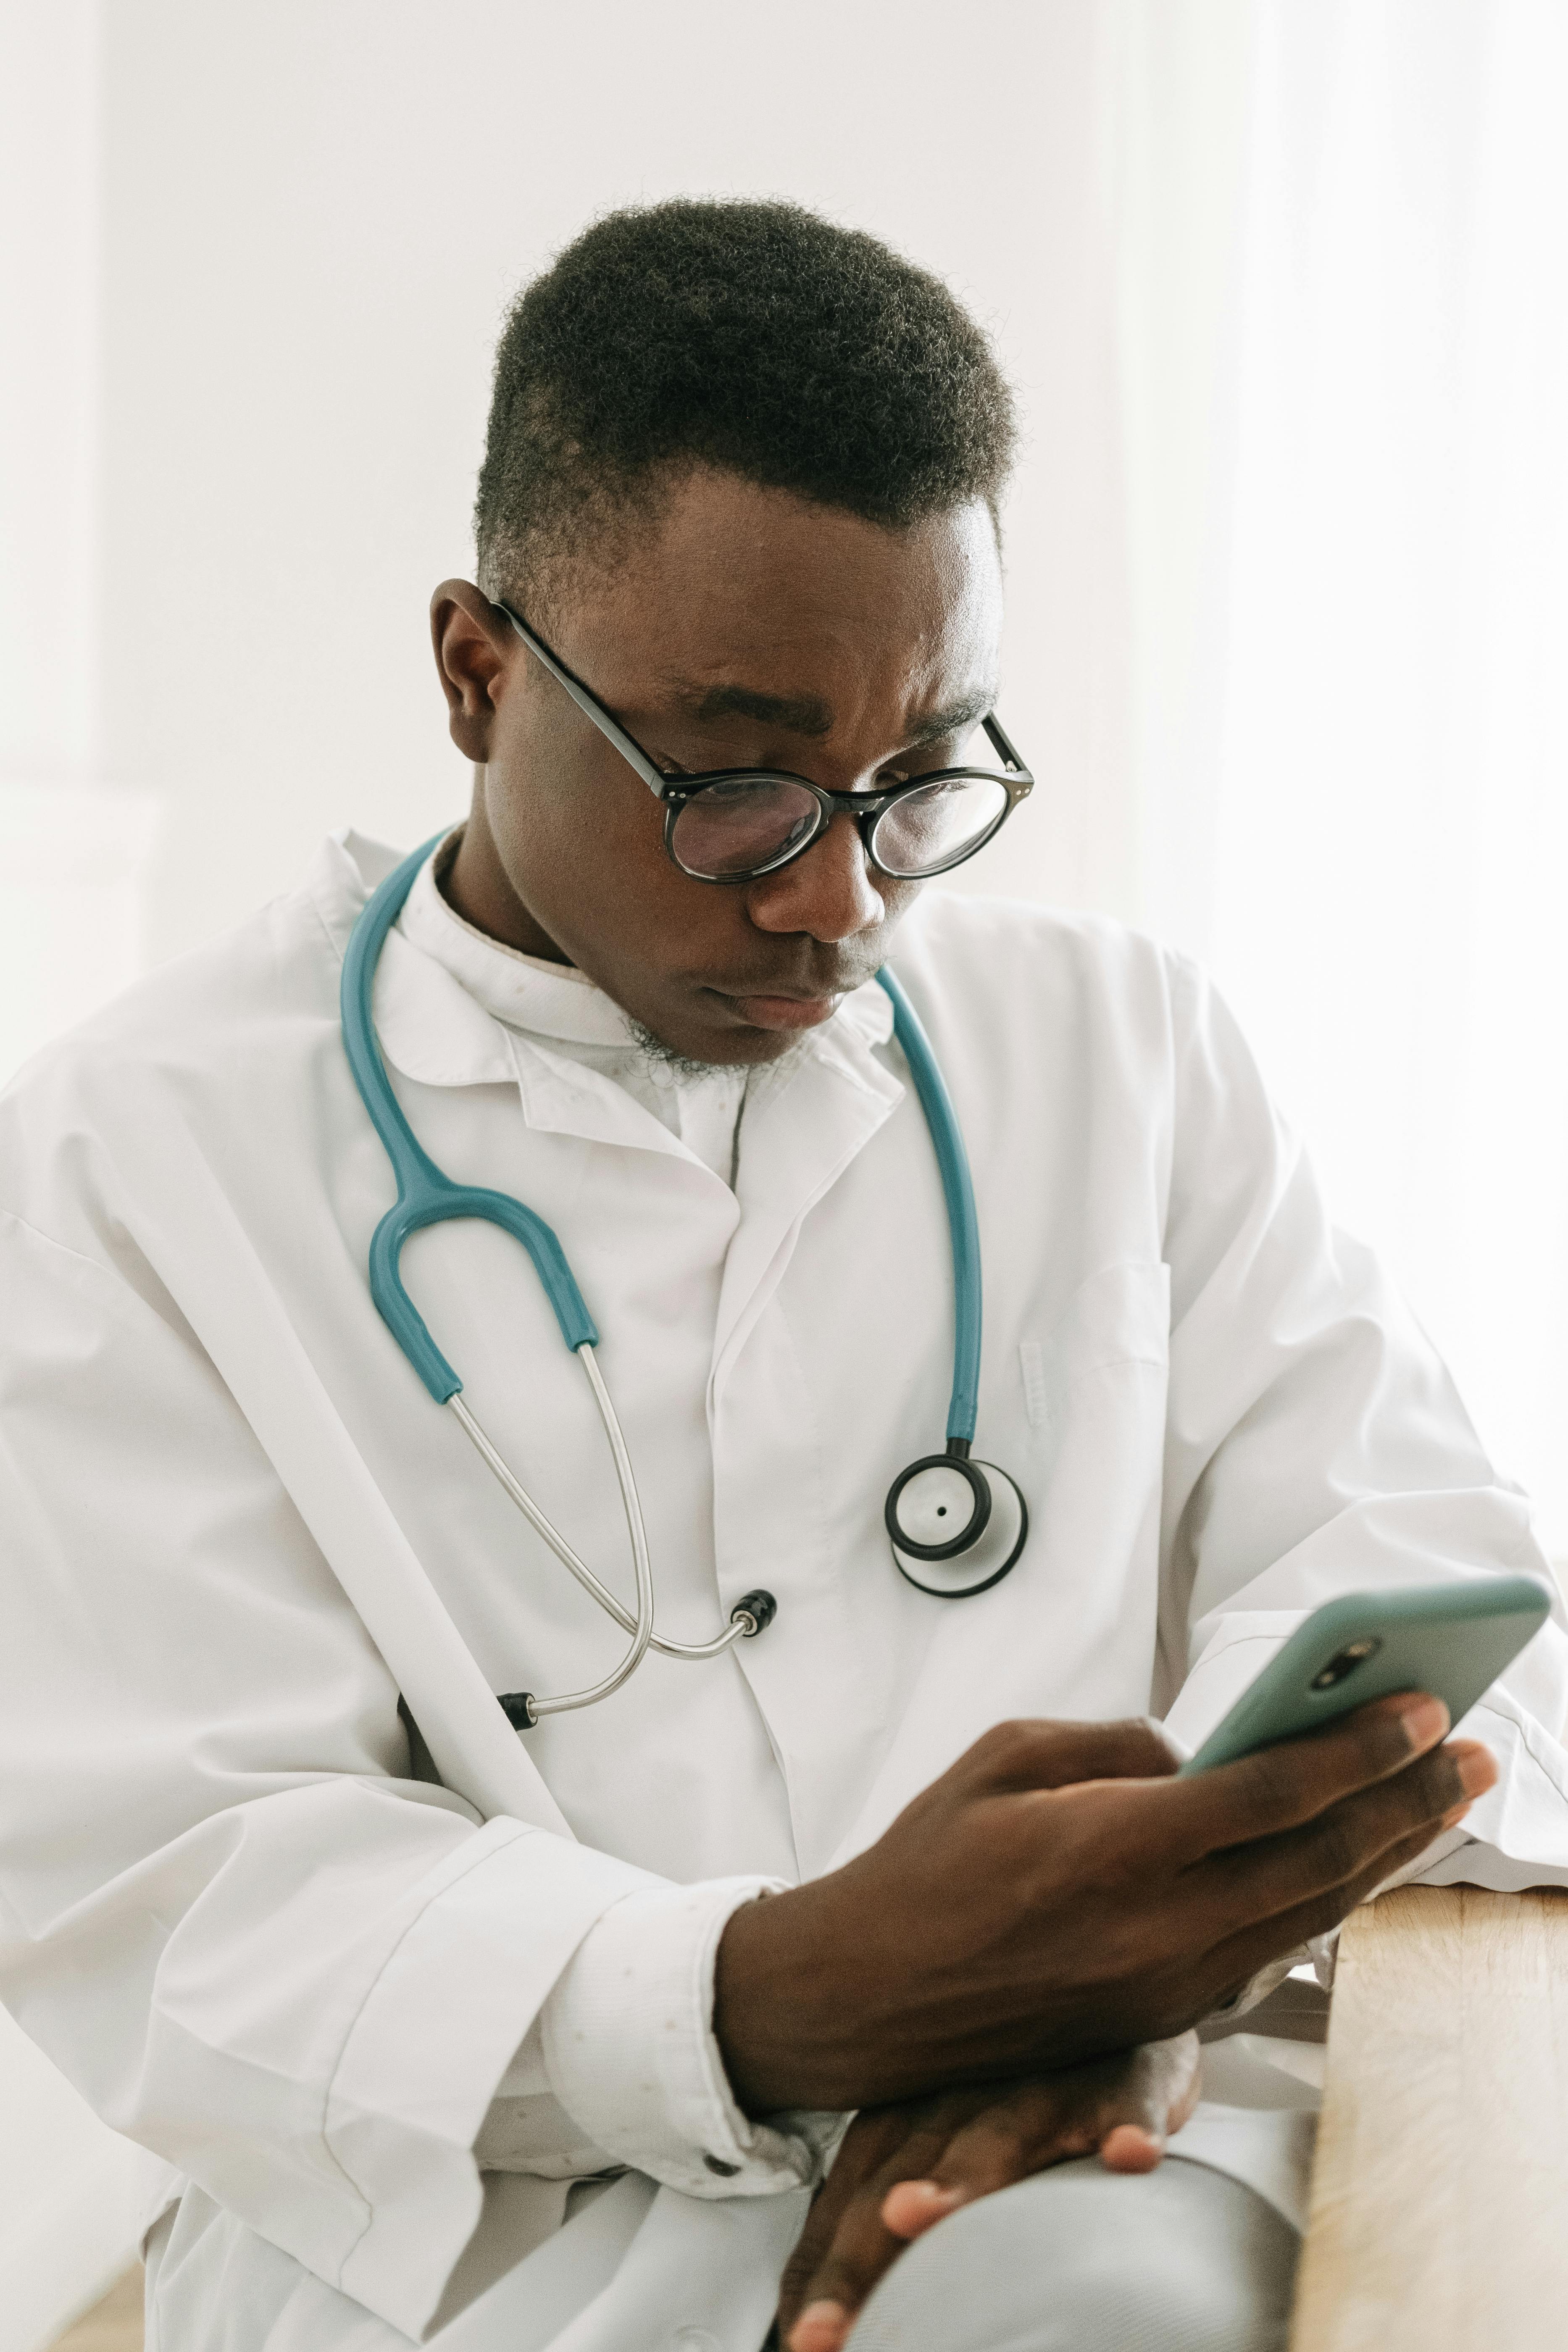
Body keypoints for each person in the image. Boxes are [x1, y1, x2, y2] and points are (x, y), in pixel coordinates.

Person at [1, 199, 1565, 2352]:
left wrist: (1111, 1957)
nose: (842, 897)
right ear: (475, 669)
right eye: (735, 782)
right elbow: (175, 1902)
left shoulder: (1117, 1050)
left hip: (1103, 2145)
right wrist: (782, 1995)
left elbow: (1468, 1628)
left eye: (922, 780)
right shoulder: (124, 1165)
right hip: (481, 2250)